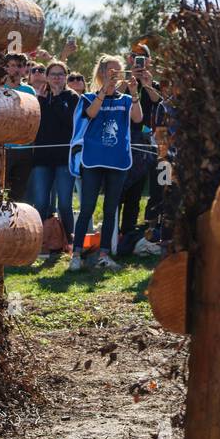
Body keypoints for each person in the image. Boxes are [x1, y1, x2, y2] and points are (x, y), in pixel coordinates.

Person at [68, 55, 144, 271]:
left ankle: (104, 255)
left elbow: (138, 119)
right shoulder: (88, 98)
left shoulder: (127, 99)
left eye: (118, 71)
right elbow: (91, 113)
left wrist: (135, 92)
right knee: (87, 209)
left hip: (118, 161)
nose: (115, 76)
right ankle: (76, 254)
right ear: (102, 73)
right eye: (111, 72)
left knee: (110, 210)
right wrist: (104, 91)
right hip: (93, 160)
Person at [28, 62, 80, 257]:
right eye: (53, 74)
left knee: (64, 203)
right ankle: (39, 244)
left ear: (66, 77)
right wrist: (40, 101)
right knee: (40, 203)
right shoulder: (40, 97)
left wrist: (57, 98)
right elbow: (35, 123)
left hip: (64, 159)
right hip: (42, 158)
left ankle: (70, 242)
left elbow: (69, 122)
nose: (57, 78)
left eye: (61, 74)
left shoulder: (72, 97)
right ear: (47, 77)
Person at [118, 45, 163, 255]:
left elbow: (159, 102)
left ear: (150, 61)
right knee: (118, 189)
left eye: (143, 57)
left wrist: (146, 85)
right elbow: (114, 99)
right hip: (122, 142)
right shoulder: (124, 83)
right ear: (129, 60)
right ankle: (112, 235)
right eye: (135, 57)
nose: (139, 61)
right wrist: (130, 84)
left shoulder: (153, 84)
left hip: (146, 144)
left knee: (137, 191)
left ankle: (127, 234)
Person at [0, 53, 36, 202]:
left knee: (18, 194)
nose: (15, 69)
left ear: (24, 70)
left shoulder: (30, 91)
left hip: (24, 148)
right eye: (12, 65)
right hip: (2, 147)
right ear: (5, 68)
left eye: (19, 66)